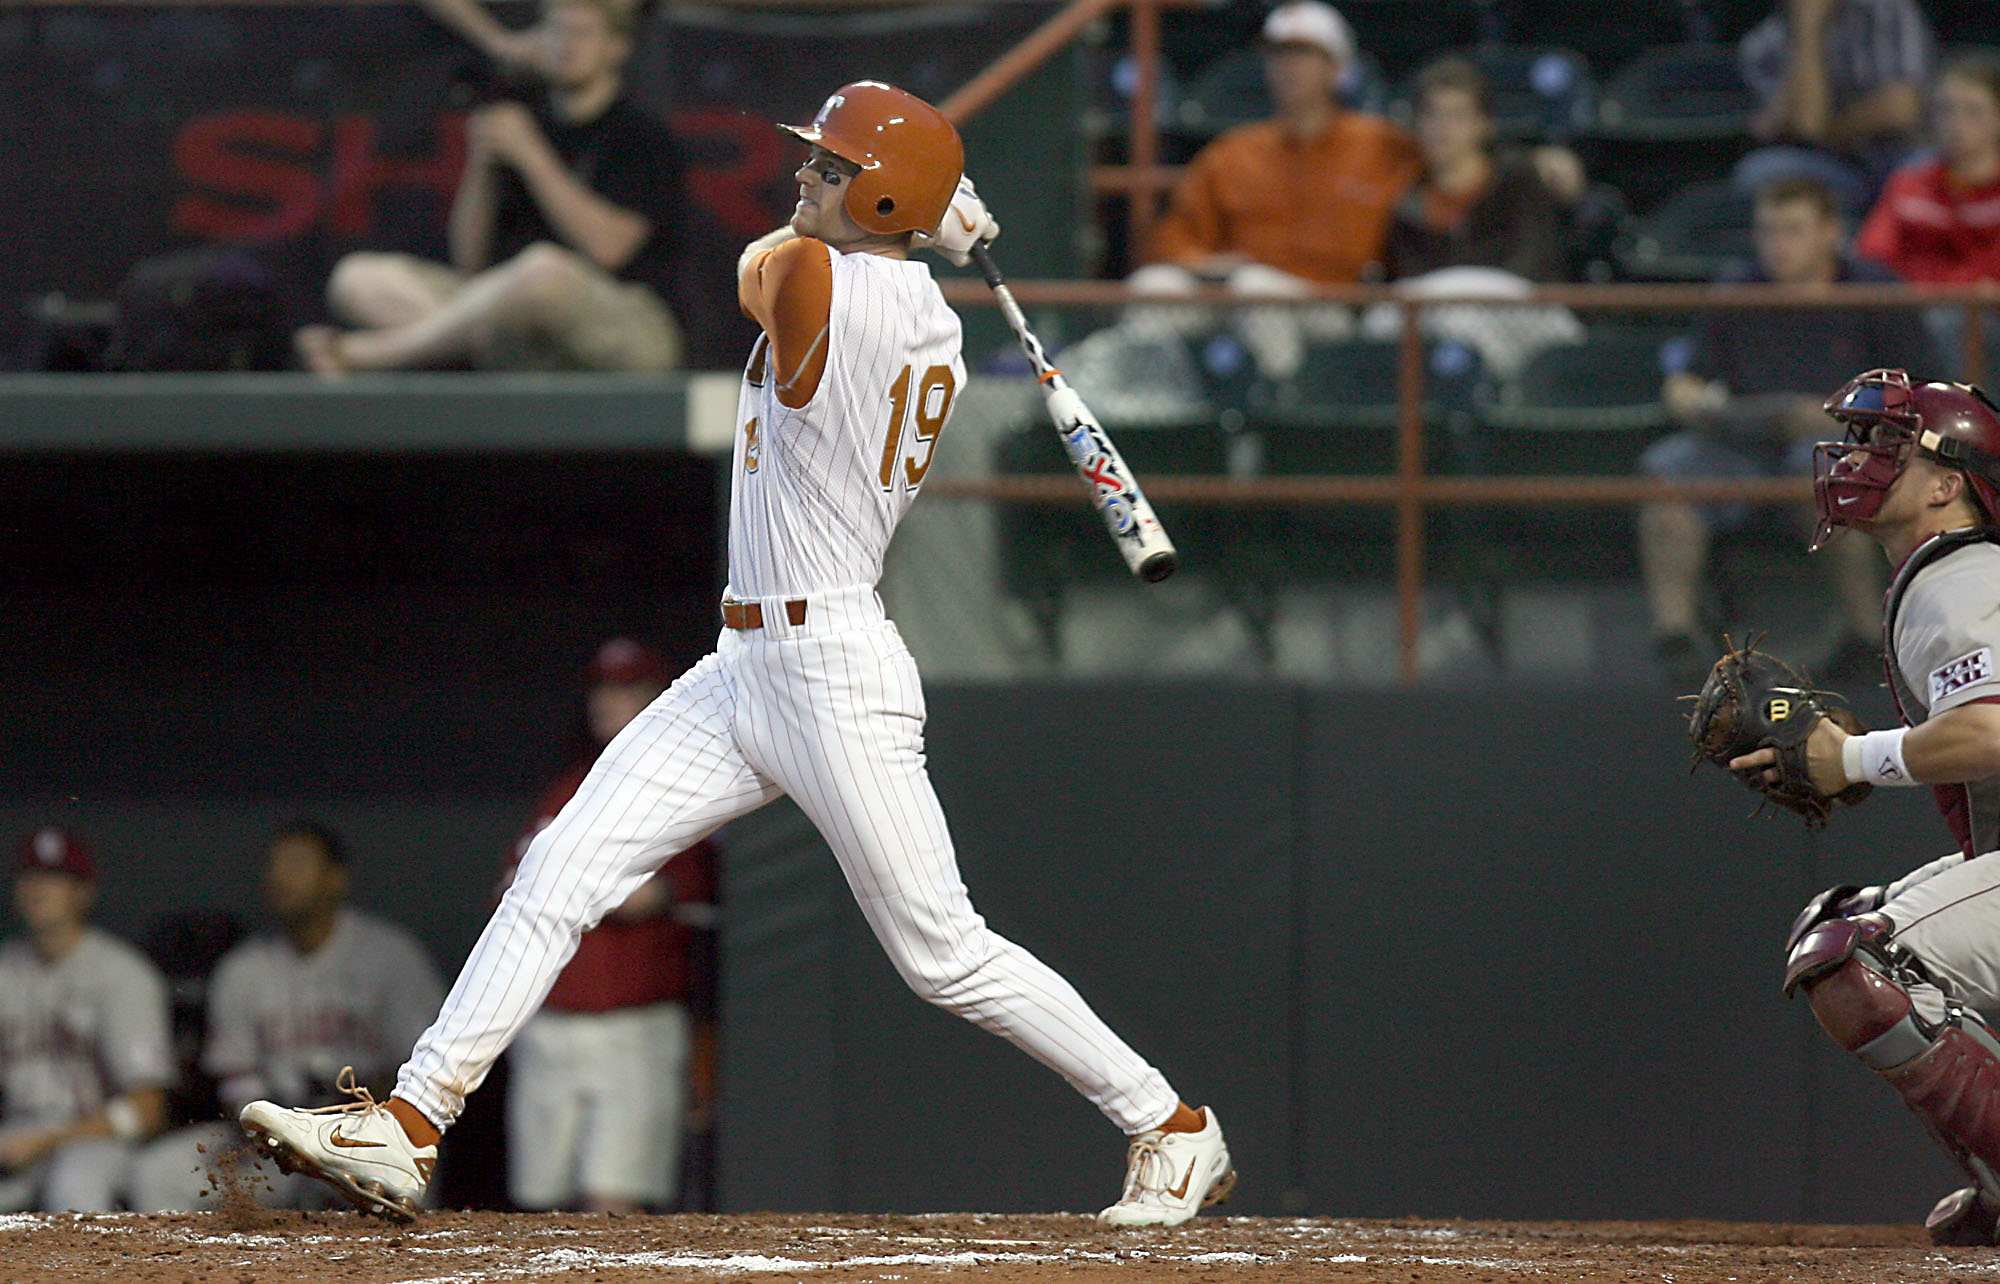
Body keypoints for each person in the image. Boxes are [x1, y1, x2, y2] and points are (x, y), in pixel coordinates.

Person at [238, 80, 1235, 1230]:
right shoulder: (908, 302)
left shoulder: (845, 289)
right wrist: (924, 220)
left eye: (831, 169)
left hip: (832, 671)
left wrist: (918, 222)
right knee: (559, 867)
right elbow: (811, 255)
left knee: (943, 955)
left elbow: (763, 270)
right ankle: (409, 1126)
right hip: (744, 663)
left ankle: (1170, 1127)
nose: (802, 177)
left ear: (883, 198)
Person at [1746, 367, 2000, 1245]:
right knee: (1853, 923)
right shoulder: (1956, 572)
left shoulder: (1960, 574)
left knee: (1859, 961)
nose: (1858, 458)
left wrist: (1852, 757)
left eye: (1890, 444)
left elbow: (1991, 733)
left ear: (1946, 484)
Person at [1638, 174, 1937, 687]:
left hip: (1846, 440)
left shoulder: (1874, 292)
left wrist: (1843, 417)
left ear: (1830, 232)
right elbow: (1688, 377)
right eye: (1767, 231)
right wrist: (1690, 398)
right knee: (1667, 472)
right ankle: (1676, 639)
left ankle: (1867, 637)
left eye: (1793, 230)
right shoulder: (1738, 289)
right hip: (1743, 436)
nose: (1777, 244)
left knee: (1822, 471)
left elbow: (1921, 390)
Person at [294, 0, 683, 374]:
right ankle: (495, 352)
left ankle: (377, 354)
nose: (566, 45)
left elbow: (609, 249)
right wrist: (482, 166)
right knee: (358, 279)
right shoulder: (527, 114)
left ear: (616, 47)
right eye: (556, 31)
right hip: (512, 321)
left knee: (544, 271)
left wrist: (532, 156)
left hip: (625, 321)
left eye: (581, 33)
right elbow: (469, 261)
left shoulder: (640, 134)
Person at [501, 638, 717, 1214]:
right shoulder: (567, 788)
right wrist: (597, 884)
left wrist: (577, 882)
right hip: (549, 1024)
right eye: (602, 686)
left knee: (614, 1207)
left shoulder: (693, 782)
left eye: (626, 687)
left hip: (633, 1026)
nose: (607, 699)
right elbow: (515, 887)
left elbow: (654, 895)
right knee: (538, 1206)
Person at [127, 822, 444, 1211]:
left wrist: (353, 1110)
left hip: (366, 1138)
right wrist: (265, 1121)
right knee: (157, 1172)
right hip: (273, 1144)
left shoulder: (391, 957)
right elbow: (233, 1077)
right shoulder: (243, 968)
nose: (279, 877)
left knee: (399, 1173)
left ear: (336, 878)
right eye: (273, 866)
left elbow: (427, 1069)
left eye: (296, 865)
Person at [1125, 0, 1418, 379]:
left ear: (1337, 69)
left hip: (1332, 306)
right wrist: (1204, 264)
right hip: (1238, 292)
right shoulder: (1235, 151)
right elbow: (1175, 235)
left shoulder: (1381, 144)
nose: (1288, 67)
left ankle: (1281, 404)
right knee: (1153, 287)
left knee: (1257, 290)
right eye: (1278, 55)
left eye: (1303, 55)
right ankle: (1148, 402)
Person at [0, 827, 172, 1212]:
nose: (37, 887)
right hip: (16, 1135)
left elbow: (148, 1110)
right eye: (29, 875)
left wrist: (47, 1141)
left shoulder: (123, 974)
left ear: (83, 892)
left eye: (54, 877)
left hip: (95, 1140)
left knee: (73, 1191)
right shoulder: (5, 970)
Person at [1736, 0, 1933, 216]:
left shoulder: (1886, 10)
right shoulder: (1763, 44)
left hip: (1900, 151)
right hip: (1833, 165)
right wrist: (1808, 33)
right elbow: (1807, 125)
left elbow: (1900, 111)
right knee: (1761, 171)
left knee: (1927, 168)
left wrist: (1828, 131)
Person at [1382, 56, 1566, 284]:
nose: (1442, 127)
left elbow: (1535, 262)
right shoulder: (1405, 201)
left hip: (1516, 300)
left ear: (1484, 124)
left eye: (1458, 115)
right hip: (1436, 303)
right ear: (1415, 122)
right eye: (1431, 114)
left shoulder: (1517, 182)